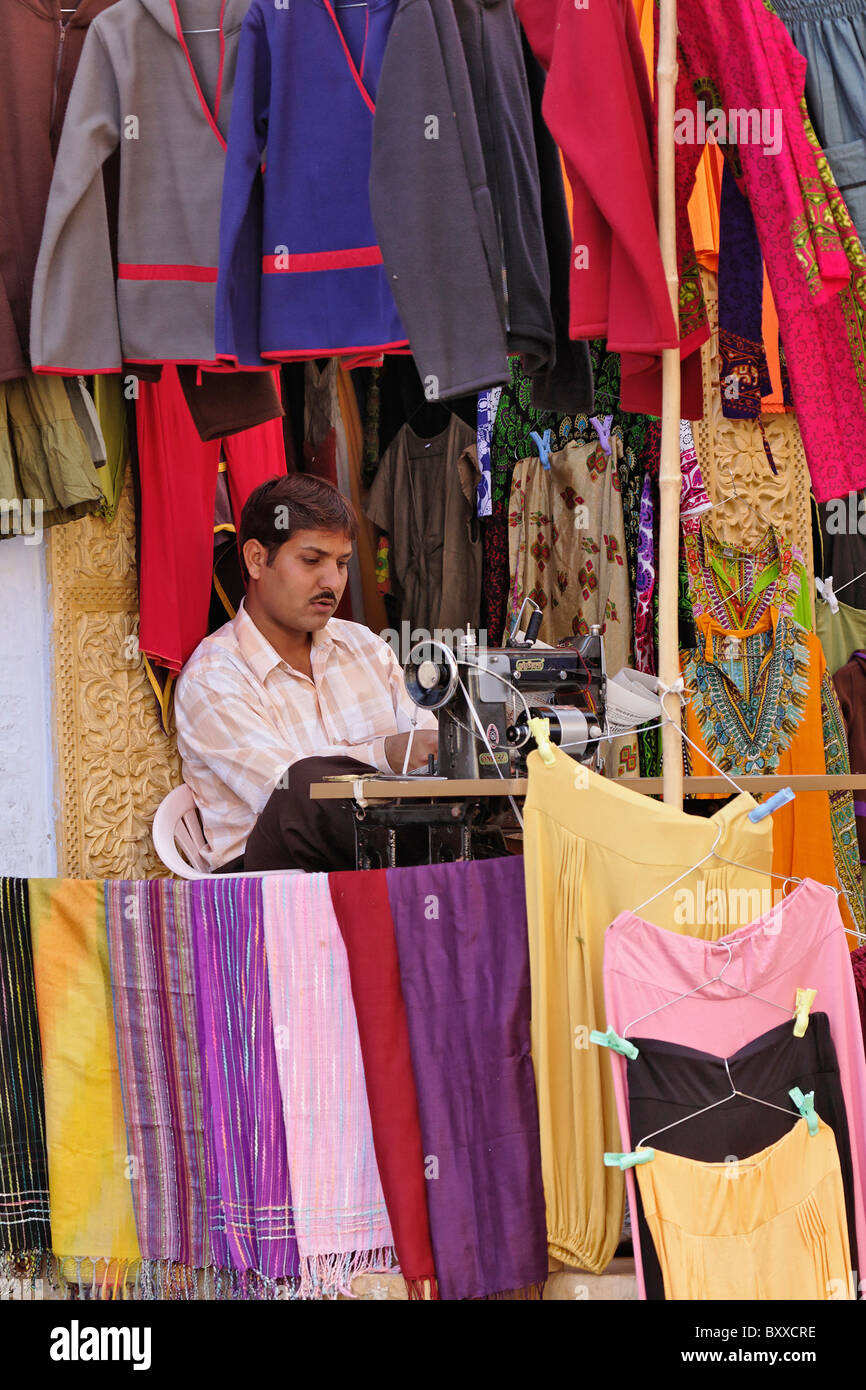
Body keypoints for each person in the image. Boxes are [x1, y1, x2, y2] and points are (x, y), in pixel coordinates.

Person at [174, 473, 438, 872]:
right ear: (257, 559)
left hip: (379, 852)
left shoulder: (364, 647)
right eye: (312, 561)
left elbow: (427, 747)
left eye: (343, 564)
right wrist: (386, 754)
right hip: (267, 876)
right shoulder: (213, 677)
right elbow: (290, 793)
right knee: (305, 786)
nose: (332, 582)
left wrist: (433, 753)